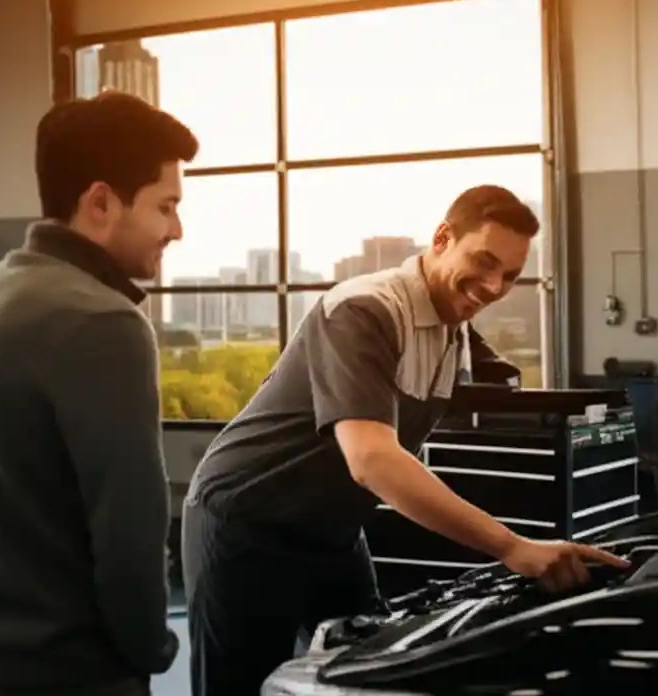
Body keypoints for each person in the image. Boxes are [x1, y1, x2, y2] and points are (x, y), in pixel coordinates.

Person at [181, 185, 630, 695]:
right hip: (248, 518)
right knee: (238, 686)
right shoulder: (363, 309)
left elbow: (494, 387)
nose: (493, 285)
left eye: (509, 275)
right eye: (483, 261)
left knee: (370, 673)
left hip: (333, 529)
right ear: (442, 237)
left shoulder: (450, 328)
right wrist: (511, 546)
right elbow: (371, 459)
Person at [0, 91, 198, 696]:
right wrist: (150, 650)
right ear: (100, 201)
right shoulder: (101, 322)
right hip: (72, 676)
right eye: (166, 205)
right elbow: (129, 527)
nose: (176, 229)